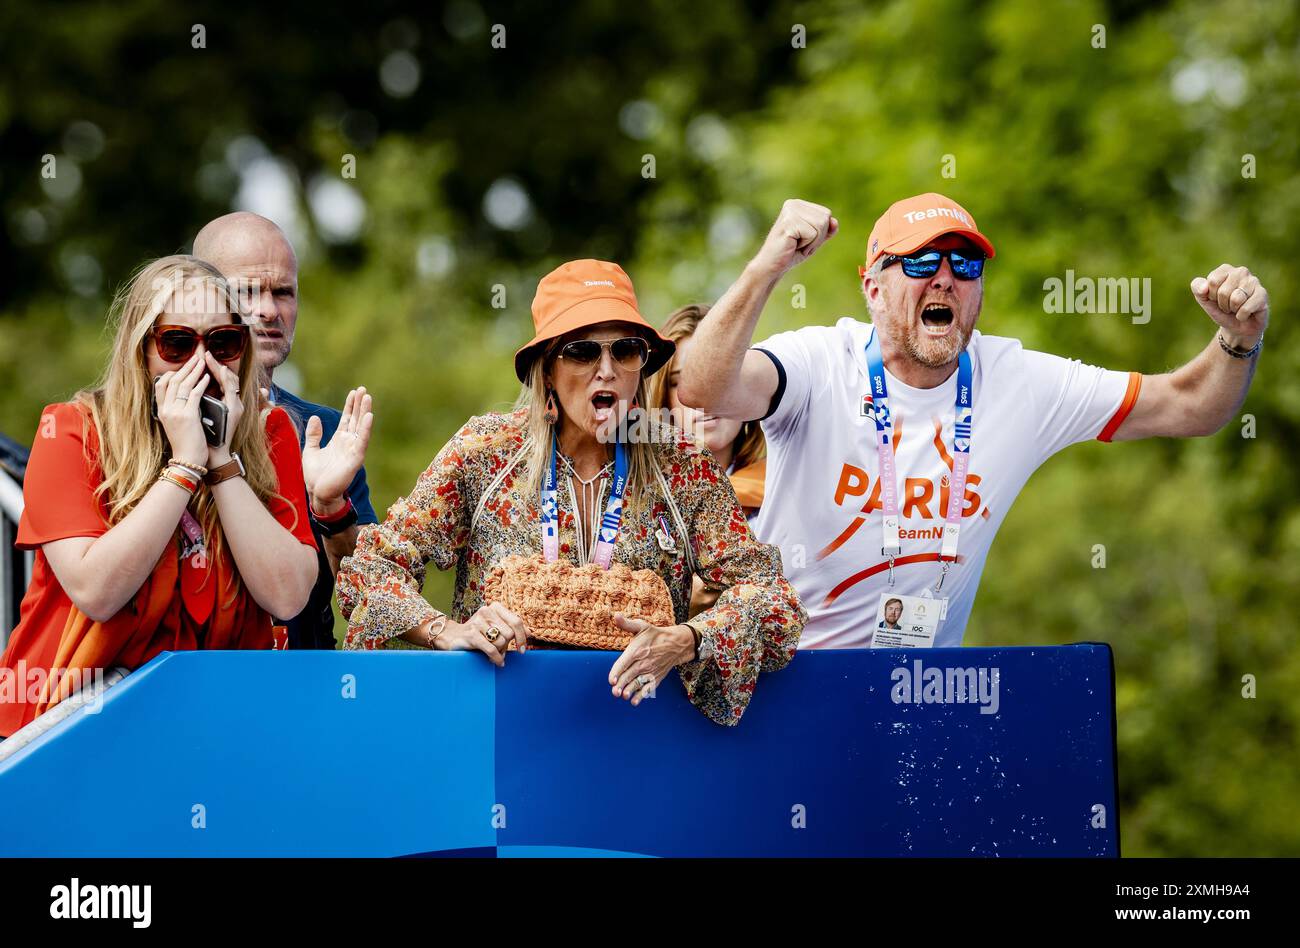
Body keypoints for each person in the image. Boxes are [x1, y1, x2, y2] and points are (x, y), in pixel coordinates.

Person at [678, 194, 1270, 649]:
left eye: (965, 263)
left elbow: (1190, 406)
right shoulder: (820, 362)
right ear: (873, 288)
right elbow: (704, 388)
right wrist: (767, 265)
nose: (945, 277)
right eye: (919, 262)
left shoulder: (1018, 381)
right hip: (787, 681)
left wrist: (1238, 339)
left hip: (920, 700)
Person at [336, 259, 805, 726]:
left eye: (625, 350)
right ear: (546, 371)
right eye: (581, 352)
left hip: (644, 735)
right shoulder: (486, 452)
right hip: (496, 735)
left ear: (642, 366)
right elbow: (371, 568)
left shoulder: (682, 465)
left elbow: (774, 602)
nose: (606, 369)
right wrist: (447, 630)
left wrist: (689, 638)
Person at [0, 256, 319, 736]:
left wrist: (221, 461)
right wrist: (183, 467)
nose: (201, 364)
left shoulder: (271, 433)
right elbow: (97, 591)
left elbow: (288, 595)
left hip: (202, 730)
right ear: (141, 351)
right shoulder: (70, 429)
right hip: (60, 729)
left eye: (223, 343)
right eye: (177, 343)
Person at [192, 213, 376, 649]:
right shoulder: (154, 421)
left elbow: (368, 591)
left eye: (283, 292)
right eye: (248, 291)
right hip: (188, 680)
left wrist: (329, 507)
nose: (269, 310)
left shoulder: (325, 429)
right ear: (198, 296)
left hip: (305, 686)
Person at [648, 303, 767, 616]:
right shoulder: (634, 495)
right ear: (661, 399)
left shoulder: (785, 489)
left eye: (720, 377)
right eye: (680, 381)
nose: (702, 397)